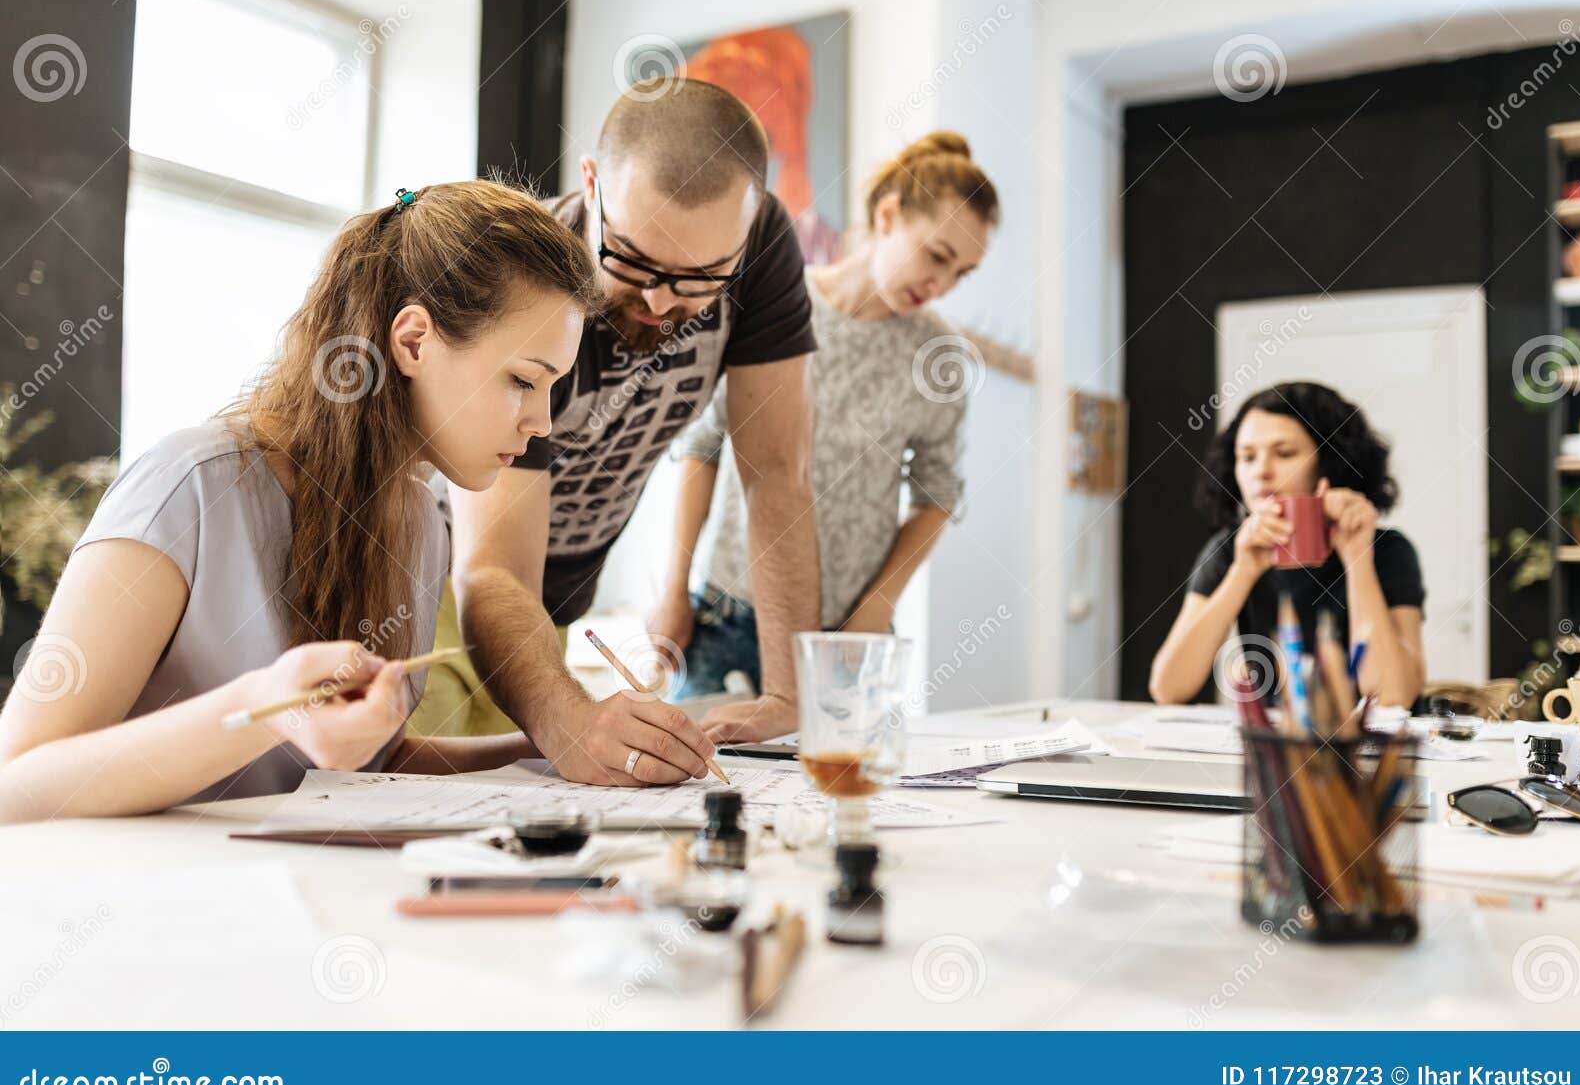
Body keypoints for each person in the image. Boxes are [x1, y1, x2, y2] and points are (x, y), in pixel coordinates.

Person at [0, 180, 599, 821]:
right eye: (522, 380)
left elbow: (360, 767)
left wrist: (568, 747)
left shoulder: (420, 521)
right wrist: (268, 705)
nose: (543, 423)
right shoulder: (190, 485)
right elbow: (16, 785)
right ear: (414, 341)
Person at [434, 78, 824, 783]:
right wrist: (570, 721)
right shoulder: (526, 278)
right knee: (396, 820)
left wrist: (790, 695)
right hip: (426, 590)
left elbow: (777, 471)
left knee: (517, 833)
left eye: (700, 279)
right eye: (633, 259)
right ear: (591, 182)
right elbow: (489, 563)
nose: (658, 300)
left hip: (538, 612)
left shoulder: (762, 246)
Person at [647, 132, 999, 697]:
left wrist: (872, 613)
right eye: (937, 255)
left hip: (846, 636)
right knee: (694, 780)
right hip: (727, 615)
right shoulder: (776, 303)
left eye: (962, 272)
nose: (941, 285)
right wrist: (673, 588)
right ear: (888, 215)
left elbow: (938, 495)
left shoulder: (941, 359)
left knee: (841, 785)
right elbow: (704, 444)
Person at [1149, 381, 1426, 708]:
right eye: (1247, 457)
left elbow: (1392, 696)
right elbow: (1169, 688)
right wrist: (1244, 571)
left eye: (1284, 454)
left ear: (1328, 462)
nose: (1261, 472)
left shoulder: (1389, 551)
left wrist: (1357, 558)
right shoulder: (1230, 549)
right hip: (1283, 750)